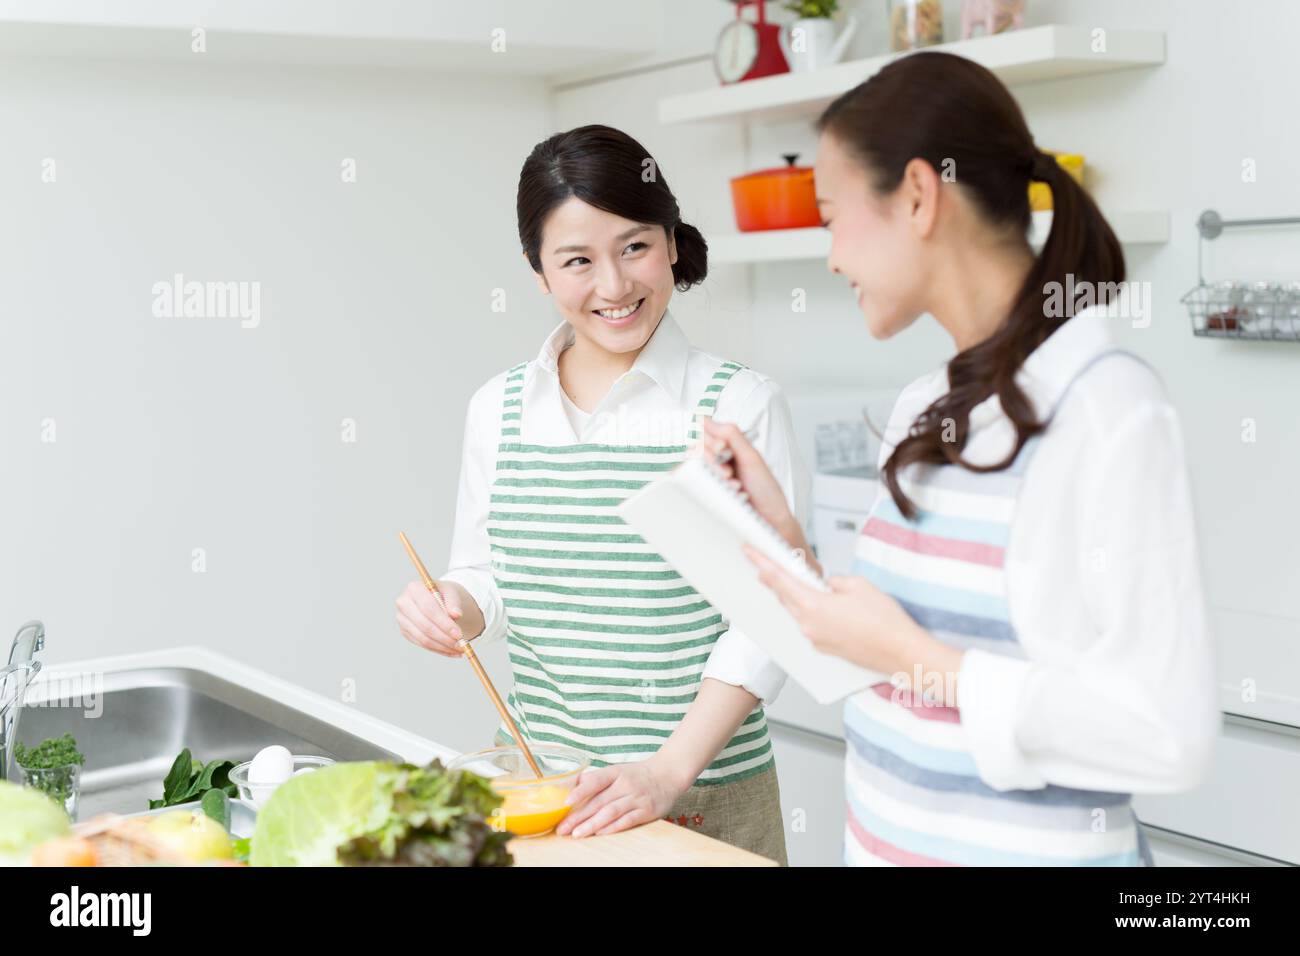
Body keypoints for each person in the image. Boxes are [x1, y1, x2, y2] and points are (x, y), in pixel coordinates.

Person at [698, 52, 1218, 866]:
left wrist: (916, 658)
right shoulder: (927, 403)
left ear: (916, 194)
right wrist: (784, 538)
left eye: (831, 216)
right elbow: (871, 665)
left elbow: (1167, 736)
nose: (830, 257)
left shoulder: (1104, 406)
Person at [396, 125, 806, 863]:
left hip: (701, 797)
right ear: (539, 272)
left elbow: (770, 616)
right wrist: (450, 605)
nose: (614, 286)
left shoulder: (735, 404)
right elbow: (485, 572)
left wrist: (665, 773)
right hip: (540, 792)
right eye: (578, 260)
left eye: (635, 247)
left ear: (673, 243)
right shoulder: (501, 408)